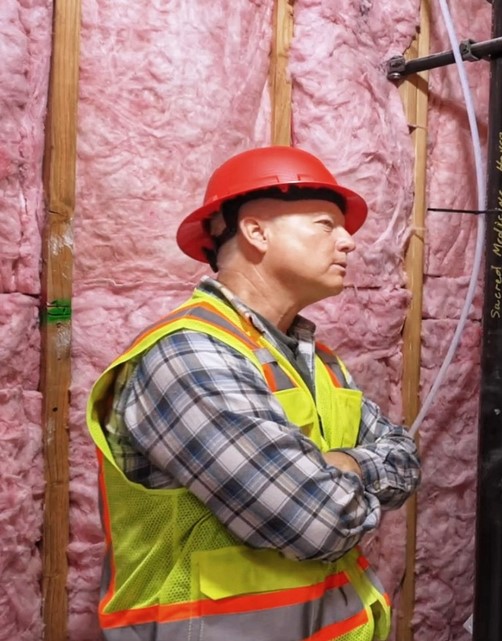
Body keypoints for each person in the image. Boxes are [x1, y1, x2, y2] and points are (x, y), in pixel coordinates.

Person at [85, 146, 421, 641]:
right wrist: (351, 469)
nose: (349, 242)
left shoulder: (317, 361)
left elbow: (407, 462)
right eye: (326, 225)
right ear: (257, 232)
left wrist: (343, 466)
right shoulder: (189, 356)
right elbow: (319, 521)